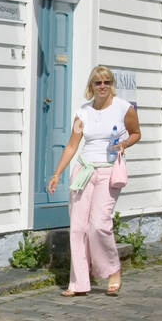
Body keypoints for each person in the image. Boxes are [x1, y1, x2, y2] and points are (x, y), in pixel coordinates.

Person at [46, 65, 141, 297]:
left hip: (109, 171)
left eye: (107, 82)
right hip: (84, 171)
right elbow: (72, 145)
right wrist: (57, 173)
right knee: (77, 228)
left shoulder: (124, 108)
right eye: (98, 83)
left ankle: (112, 269)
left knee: (98, 225)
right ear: (91, 86)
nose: (103, 86)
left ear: (112, 85)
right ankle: (78, 283)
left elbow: (136, 133)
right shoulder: (83, 113)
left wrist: (124, 144)